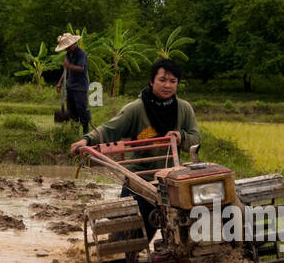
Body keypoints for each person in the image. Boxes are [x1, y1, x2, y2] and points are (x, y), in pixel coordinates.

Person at [70, 59, 201, 241]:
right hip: (139, 180)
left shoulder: (184, 109)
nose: (167, 85)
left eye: (173, 81)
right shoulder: (136, 109)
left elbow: (196, 138)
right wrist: (86, 140)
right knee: (127, 239)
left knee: (181, 232)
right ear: (151, 81)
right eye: (162, 80)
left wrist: (181, 137)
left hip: (170, 183)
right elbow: (110, 129)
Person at [54, 33, 90, 134]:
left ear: (73, 44)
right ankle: (75, 132)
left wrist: (68, 65)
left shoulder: (81, 53)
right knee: (71, 110)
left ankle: (86, 133)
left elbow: (81, 68)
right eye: (65, 48)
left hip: (80, 87)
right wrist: (60, 83)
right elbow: (66, 70)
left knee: (81, 109)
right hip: (70, 86)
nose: (66, 50)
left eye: (68, 47)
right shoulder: (68, 54)